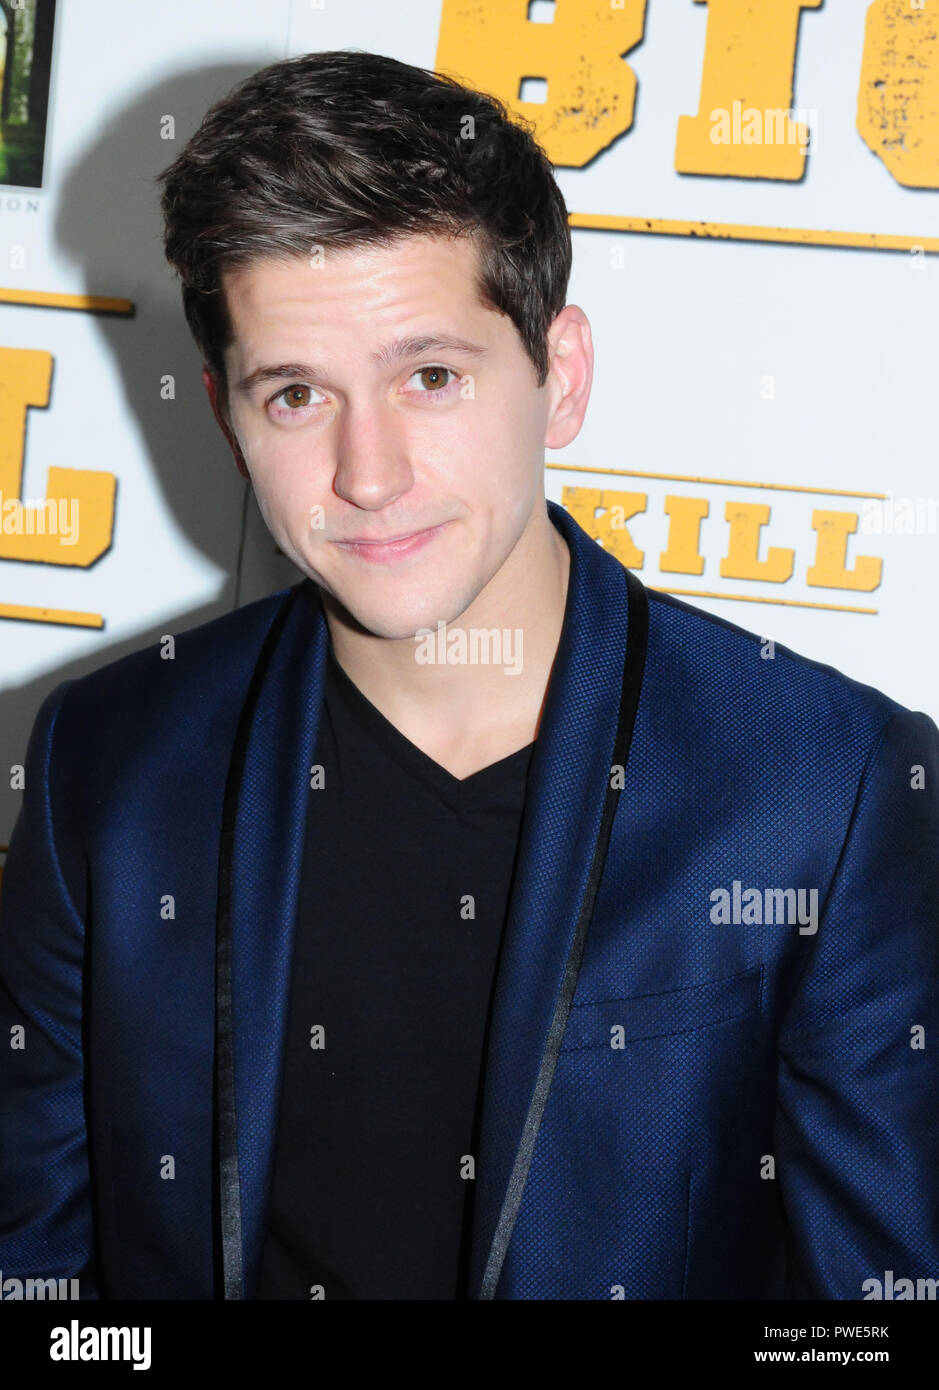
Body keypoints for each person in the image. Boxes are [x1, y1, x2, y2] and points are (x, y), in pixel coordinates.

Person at [1, 49, 936, 1301]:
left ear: (564, 376)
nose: (367, 472)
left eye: (429, 376)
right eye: (295, 396)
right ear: (228, 418)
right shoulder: (106, 761)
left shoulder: (827, 786)